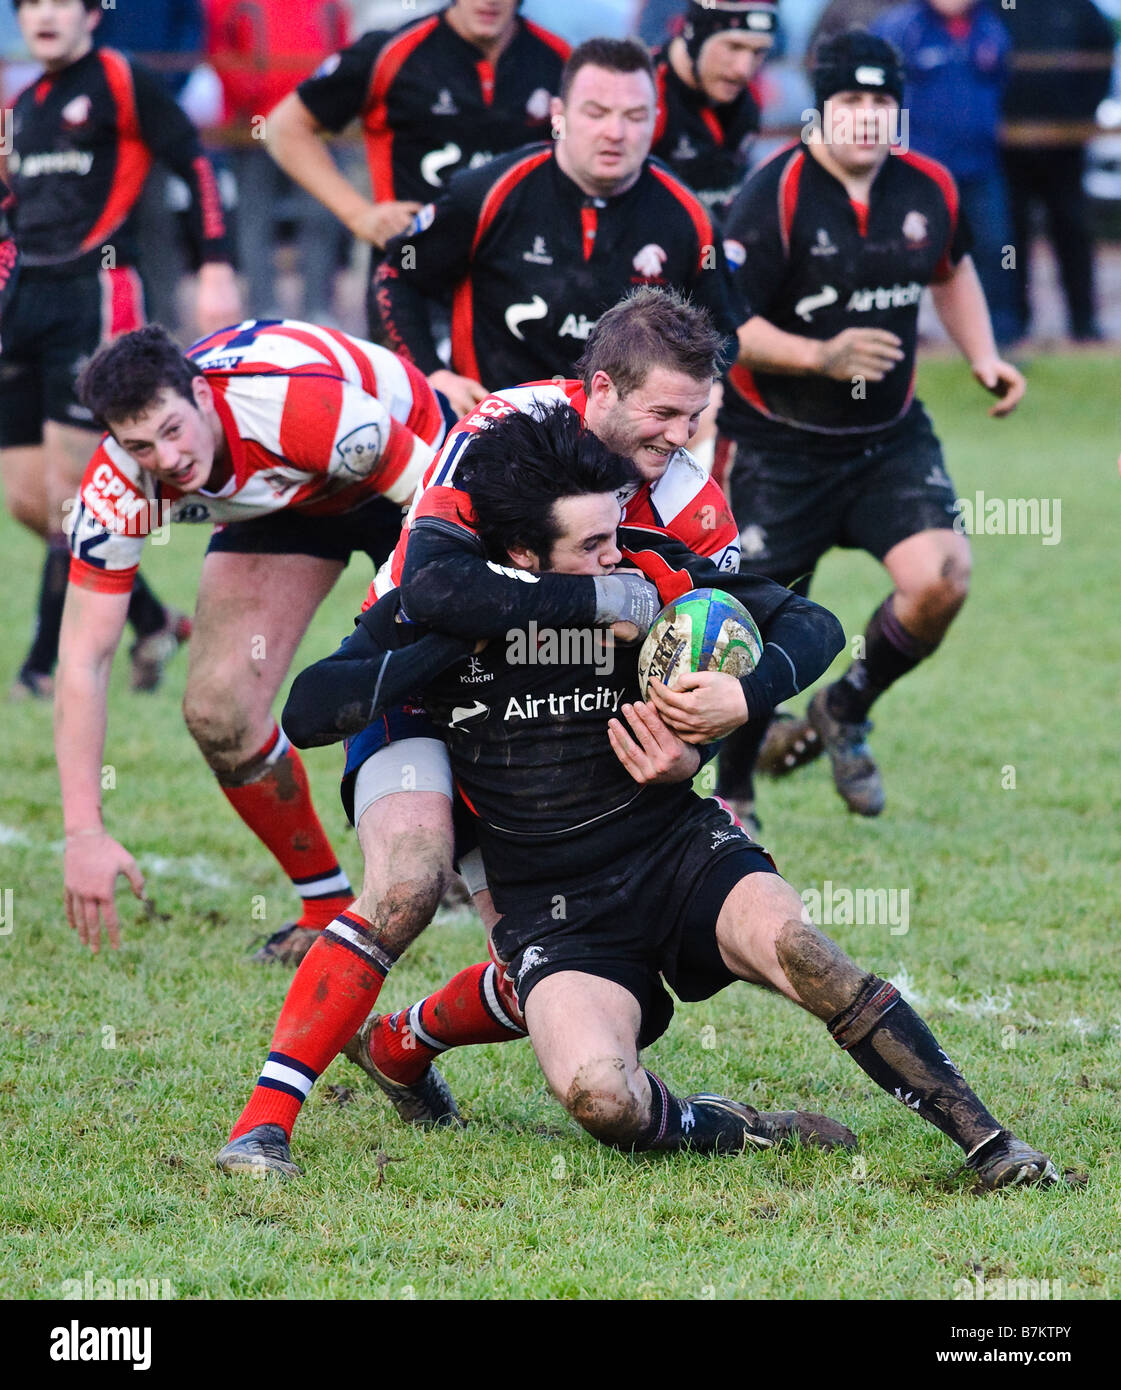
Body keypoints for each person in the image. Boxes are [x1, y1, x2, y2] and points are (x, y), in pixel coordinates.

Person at [220, 403, 1060, 1193]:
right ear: (522, 556)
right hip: (553, 911)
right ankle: (729, 1128)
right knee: (600, 1097)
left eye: (614, 534)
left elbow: (812, 624)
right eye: (589, 546)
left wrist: (741, 699)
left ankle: (991, 1147)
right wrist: (449, 651)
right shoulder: (448, 604)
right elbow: (307, 707)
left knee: (804, 950)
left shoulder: (647, 568)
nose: (613, 558)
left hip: (678, 852)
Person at [212, 288, 827, 1154]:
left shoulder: (693, 503)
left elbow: (706, 657)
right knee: (406, 883)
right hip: (422, 695)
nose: (679, 436)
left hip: (551, 723)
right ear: (602, 390)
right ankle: (261, 1131)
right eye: (662, 413)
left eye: (696, 415)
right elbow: (436, 588)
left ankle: (399, 1043)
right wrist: (594, 597)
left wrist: (692, 749)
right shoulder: (505, 428)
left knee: (545, 961)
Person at [55, 318, 447, 957]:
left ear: (203, 396)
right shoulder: (118, 484)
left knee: (454, 667)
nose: (169, 459)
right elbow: (83, 659)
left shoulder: (300, 408)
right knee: (219, 709)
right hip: (285, 504)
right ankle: (323, 903)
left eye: (173, 429)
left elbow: (447, 523)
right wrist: (82, 832)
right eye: (141, 445)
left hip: (404, 473)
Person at [710, 30, 1025, 824]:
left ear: (897, 111)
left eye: (879, 101)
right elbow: (727, 328)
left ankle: (846, 709)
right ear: (820, 109)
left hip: (888, 438)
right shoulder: (773, 195)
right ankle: (737, 796)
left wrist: (983, 356)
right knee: (759, 621)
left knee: (941, 578)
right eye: (848, 101)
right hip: (778, 444)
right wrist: (820, 356)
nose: (864, 117)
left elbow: (950, 272)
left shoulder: (928, 187)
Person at [0, 0, 240, 701]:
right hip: (25, 304)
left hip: (96, 293)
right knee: (27, 500)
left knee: (71, 496)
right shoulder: (22, 105)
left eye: (58, 3)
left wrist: (216, 263)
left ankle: (40, 668)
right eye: (29, 4)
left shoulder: (121, 79)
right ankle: (157, 620)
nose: (43, 16)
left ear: (91, 15)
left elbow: (194, 162)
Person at [373, 36, 744, 417]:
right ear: (558, 114)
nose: (614, 133)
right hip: (496, 436)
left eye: (634, 116)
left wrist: (696, 395)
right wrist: (434, 375)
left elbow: (723, 333)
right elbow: (398, 272)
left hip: (620, 448)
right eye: (596, 113)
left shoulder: (691, 218)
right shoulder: (486, 192)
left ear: (656, 117)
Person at [264, 0, 570, 334]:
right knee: (415, 387)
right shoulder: (391, 51)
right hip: (414, 280)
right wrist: (358, 215)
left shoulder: (560, 60)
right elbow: (283, 128)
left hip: (521, 284)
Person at [870, 0, 1018, 346]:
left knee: (994, 249)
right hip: (917, 169)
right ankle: (895, 338)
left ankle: (997, 340)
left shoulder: (991, 28)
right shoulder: (900, 28)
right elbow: (876, 92)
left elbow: (1002, 81)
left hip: (980, 164)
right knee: (905, 249)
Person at [205, 0, 352, 322]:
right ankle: (263, 311)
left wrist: (329, 103)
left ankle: (319, 309)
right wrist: (248, 90)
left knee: (321, 217)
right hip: (255, 124)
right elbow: (219, 45)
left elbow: (342, 51)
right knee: (254, 220)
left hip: (314, 125)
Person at [999, 0, 1115, 343]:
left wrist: (1083, 114)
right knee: (1010, 238)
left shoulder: (1079, 8)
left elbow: (1102, 56)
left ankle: (1083, 319)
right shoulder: (996, 7)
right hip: (1007, 146)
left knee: (1073, 232)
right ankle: (1014, 320)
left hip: (1066, 144)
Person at [651, 0, 777, 220]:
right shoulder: (646, 93)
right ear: (696, 37)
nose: (744, 70)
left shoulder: (749, 97)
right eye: (733, 47)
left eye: (758, 52)